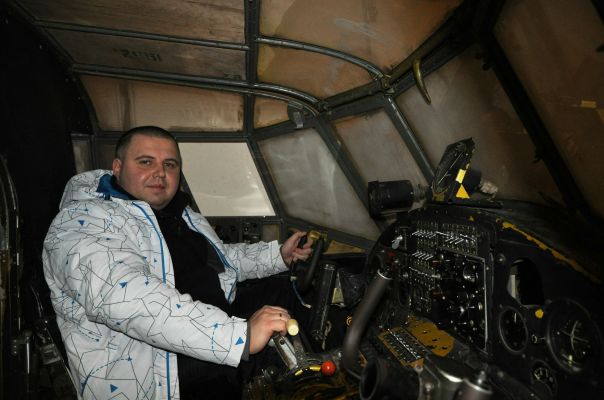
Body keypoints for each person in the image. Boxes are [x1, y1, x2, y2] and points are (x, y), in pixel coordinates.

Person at [43, 126, 313, 399]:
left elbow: (220, 260)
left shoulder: (179, 214)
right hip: (156, 364)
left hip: (207, 327)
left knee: (280, 295)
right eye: (146, 162)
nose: (160, 172)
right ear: (117, 167)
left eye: (169, 164)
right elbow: (126, 298)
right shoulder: (82, 221)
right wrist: (238, 337)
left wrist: (278, 256)